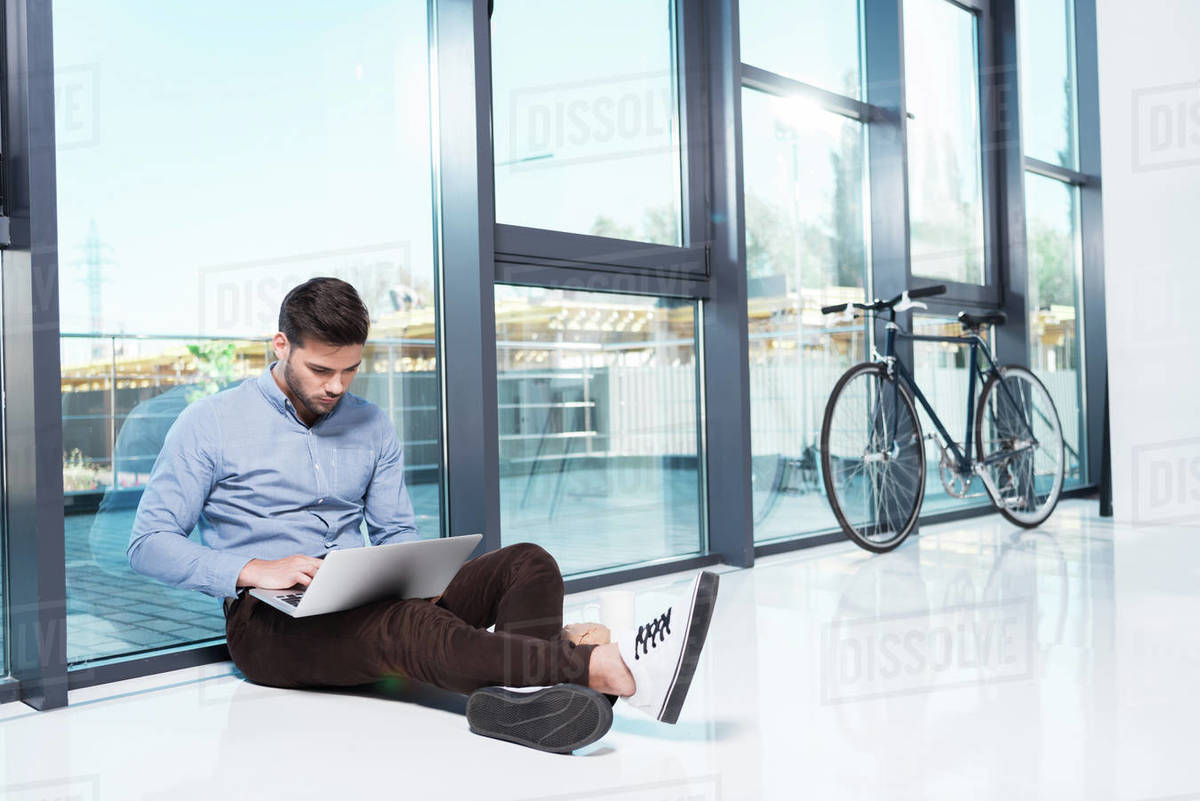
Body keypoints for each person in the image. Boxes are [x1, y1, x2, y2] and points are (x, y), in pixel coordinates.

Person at [127, 277, 719, 754]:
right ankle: (603, 666)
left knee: (527, 564)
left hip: (364, 592)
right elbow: (148, 542)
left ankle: (520, 704)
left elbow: (394, 534)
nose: (337, 387)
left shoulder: (372, 424)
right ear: (279, 346)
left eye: (350, 370)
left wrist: (414, 574)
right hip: (271, 626)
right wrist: (256, 569)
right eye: (321, 371)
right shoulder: (210, 423)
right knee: (409, 631)